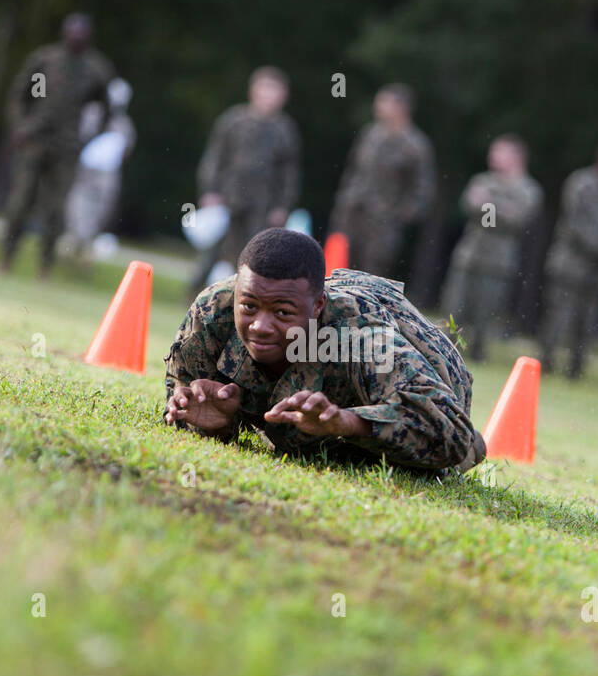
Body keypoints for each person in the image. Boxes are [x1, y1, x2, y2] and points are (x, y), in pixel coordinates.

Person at [165, 227, 486, 472]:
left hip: (433, 374)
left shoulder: (363, 335)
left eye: (282, 312)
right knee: (299, 444)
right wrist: (220, 423)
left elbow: (452, 436)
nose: (260, 326)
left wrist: (346, 422)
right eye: (249, 306)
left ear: (317, 305)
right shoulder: (214, 311)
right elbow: (180, 403)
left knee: (411, 463)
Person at [1, 13, 115, 276]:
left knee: (55, 209)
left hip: (67, 147)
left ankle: (45, 265)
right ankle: (6, 258)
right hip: (35, 140)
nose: (76, 38)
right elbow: (20, 95)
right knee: (20, 202)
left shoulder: (95, 69)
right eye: (72, 32)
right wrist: (20, 126)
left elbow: (107, 110)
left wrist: (88, 139)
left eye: (81, 34)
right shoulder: (45, 60)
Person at [191, 66, 300, 296]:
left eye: (275, 90)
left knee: (253, 253)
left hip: (262, 203)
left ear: (284, 96)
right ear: (253, 90)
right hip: (227, 196)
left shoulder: (285, 130)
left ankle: (241, 298)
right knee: (213, 249)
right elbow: (215, 158)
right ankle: (196, 294)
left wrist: (282, 206)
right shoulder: (233, 120)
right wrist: (210, 190)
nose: (269, 96)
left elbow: (288, 173)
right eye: (265, 88)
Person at [441, 134, 544, 362]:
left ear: (516, 157)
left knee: (485, 314)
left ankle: (477, 355)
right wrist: (497, 209)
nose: (492, 156)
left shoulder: (528, 189)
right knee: (453, 307)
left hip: (498, 262)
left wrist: (488, 203)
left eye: (499, 151)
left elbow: (515, 219)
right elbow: (469, 206)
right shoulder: (483, 180)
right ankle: (446, 351)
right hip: (469, 255)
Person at [540, 142, 598, 378]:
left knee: (588, 322)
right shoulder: (580, 183)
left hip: (596, 271)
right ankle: (545, 363)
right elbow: (575, 225)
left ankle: (576, 370)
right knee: (559, 317)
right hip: (569, 265)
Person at [330, 83, 436, 279]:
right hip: (352, 213)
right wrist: (344, 199)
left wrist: (401, 215)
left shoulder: (415, 144)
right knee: (342, 268)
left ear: (401, 107)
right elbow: (353, 170)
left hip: (384, 221)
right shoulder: (371, 133)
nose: (377, 107)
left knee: (373, 273)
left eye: (384, 102)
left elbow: (422, 187)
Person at [64, 77, 135, 257]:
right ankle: (75, 236)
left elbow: (127, 148)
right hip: (87, 168)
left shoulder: (124, 124)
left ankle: (86, 238)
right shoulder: (93, 114)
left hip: (108, 172)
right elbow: (81, 135)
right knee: (78, 200)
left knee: (103, 206)